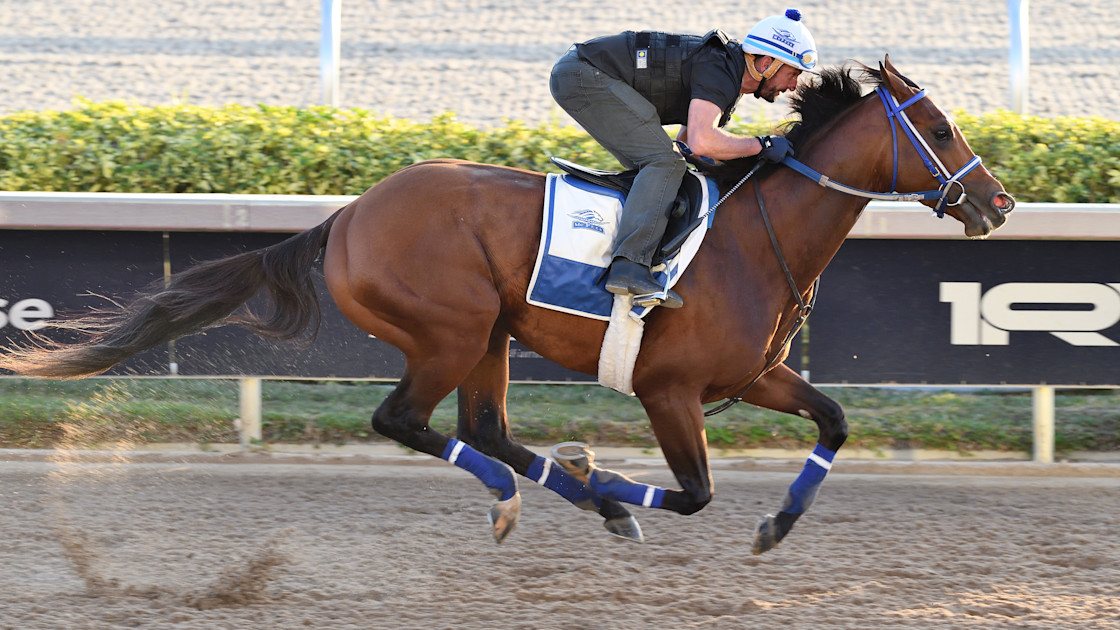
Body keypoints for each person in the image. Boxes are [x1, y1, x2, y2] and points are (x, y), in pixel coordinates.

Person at [550, 8, 819, 308]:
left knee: (671, 163)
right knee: (664, 163)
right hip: (584, 74)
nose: (794, 85)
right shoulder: (720, 70)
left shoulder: (726, 77)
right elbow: (703, 141)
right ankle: (628, 267)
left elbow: (688, 143)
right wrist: (761, 144)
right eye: (793, 73)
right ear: (767, 62)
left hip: (586, 72)